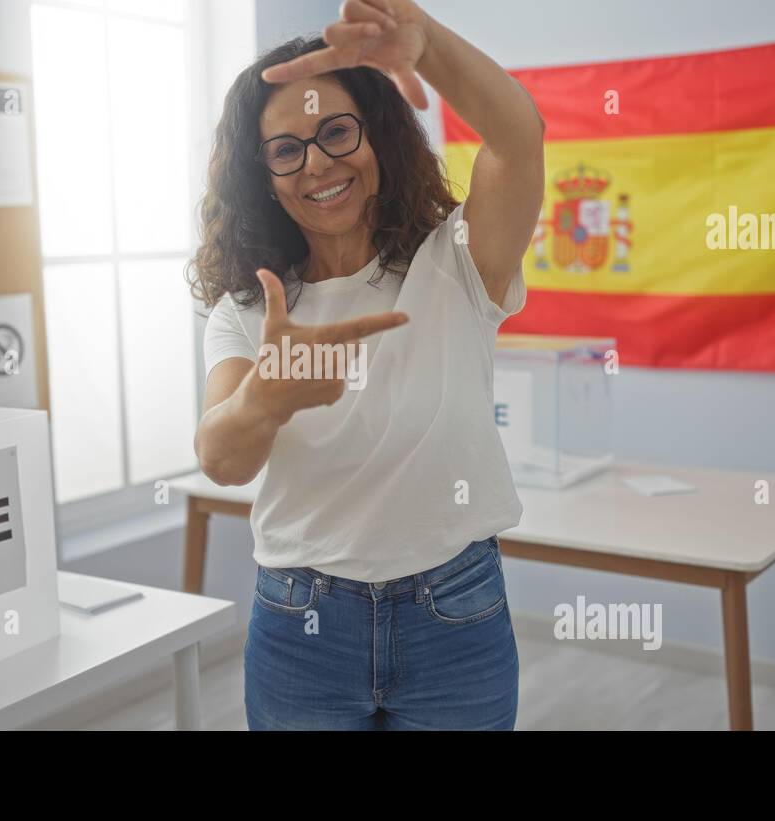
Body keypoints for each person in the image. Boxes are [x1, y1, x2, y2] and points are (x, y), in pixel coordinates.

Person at [188, 0, 545, 730]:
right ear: (266, 176)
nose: (316, 161)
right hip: (301, 625)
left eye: (336, 131)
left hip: (455, 613)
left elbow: (520, 138)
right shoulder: (250, 308)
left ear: (376, 137)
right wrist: (267, 398)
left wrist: (429, 46)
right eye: (286, 149)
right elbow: (221, 459)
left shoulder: (457, 260)